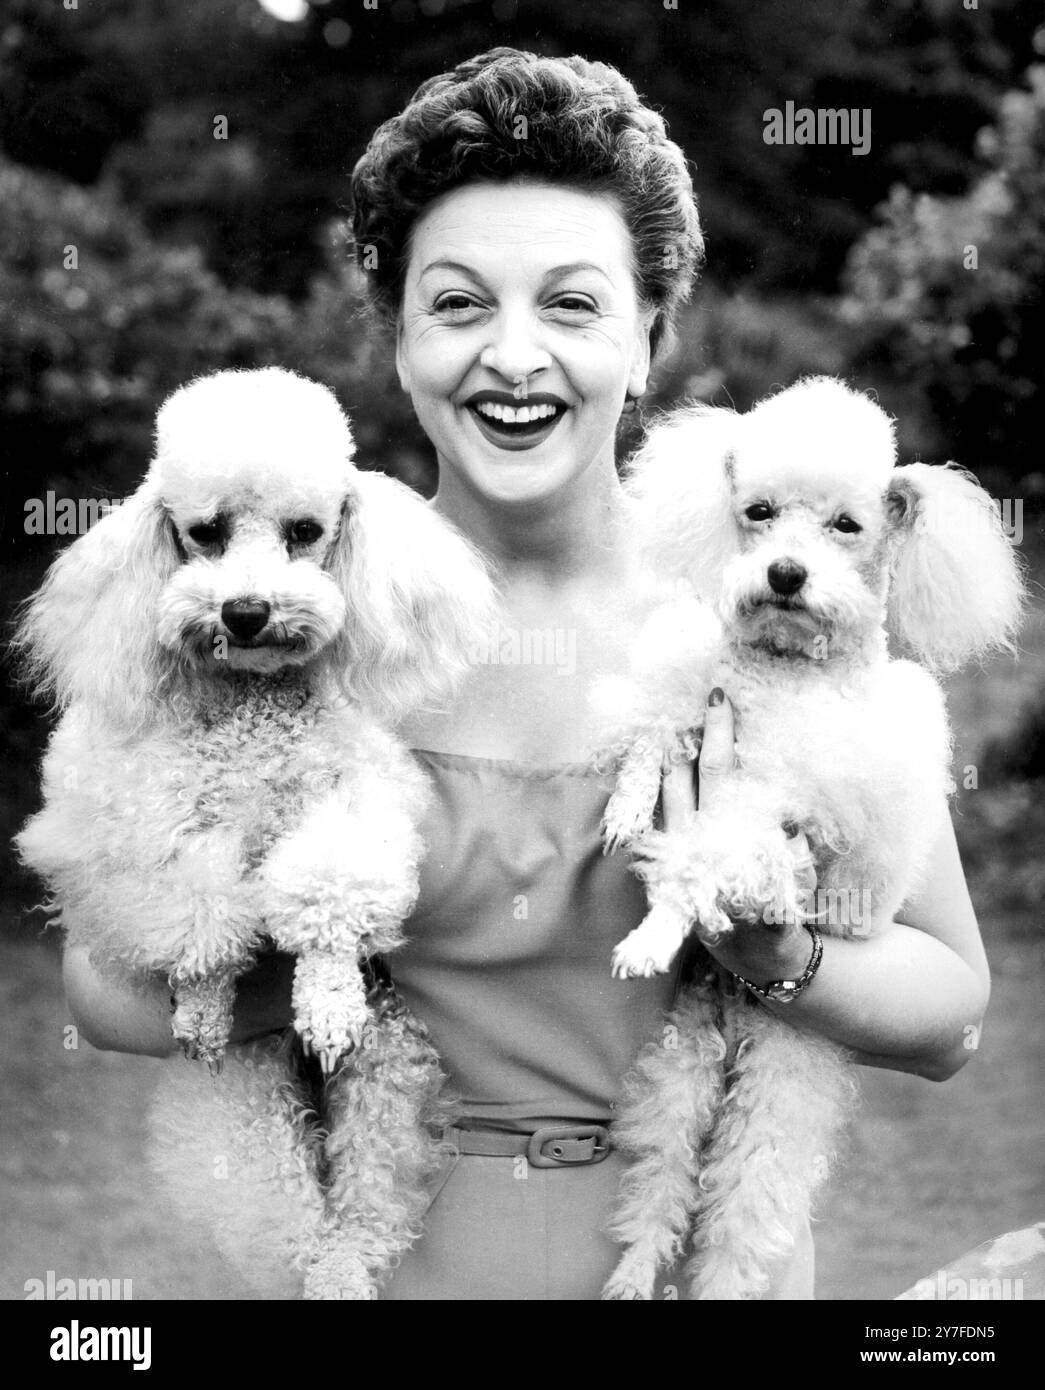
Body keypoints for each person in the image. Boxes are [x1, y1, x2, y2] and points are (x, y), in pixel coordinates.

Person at [63, 47, 990, 1300]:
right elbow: (107, 997)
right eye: (455, 305)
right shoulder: (273, 614)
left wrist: (774, 953)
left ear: (649, 337)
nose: (512, 356)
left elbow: (951, 1012)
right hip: (369, 1267)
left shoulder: (768, 630)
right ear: (397, 345)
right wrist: (317, 953)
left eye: (570, 303)